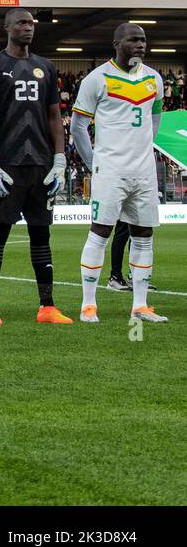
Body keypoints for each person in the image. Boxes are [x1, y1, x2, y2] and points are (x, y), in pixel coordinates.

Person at [0, 8, 71, 325]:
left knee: (41, 234)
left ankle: (47, 307)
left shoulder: (46, 66)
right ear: (7, 27)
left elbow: (55, 116)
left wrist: (59, 158)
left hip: (41, 164)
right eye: (21, 22)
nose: (28, 28)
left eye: (31, 23)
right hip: (7, 164)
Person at [70, 23, 167, 323]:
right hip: (110, 170)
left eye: (143, 40)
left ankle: (140, 306)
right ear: (116, 43)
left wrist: (142, 150)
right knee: (100, 232)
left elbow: (155, 120)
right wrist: (93, 162)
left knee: (143, 235)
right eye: (133, 40)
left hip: (143, 171)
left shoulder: (154, 79)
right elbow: (77, 127)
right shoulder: (97, 79)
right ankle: (89, 305)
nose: (140, 45)